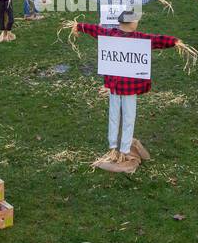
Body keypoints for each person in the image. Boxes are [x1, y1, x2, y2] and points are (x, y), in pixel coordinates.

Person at [72, 9, 181, 172]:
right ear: (131, 24)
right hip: (128, 89)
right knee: (128, 117)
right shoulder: (139, 39)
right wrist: (174, 41)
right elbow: (157, 40)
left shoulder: (110, 35)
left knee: (114, 115)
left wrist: (79, 26)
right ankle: (123, 150)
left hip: (115, 87)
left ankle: (114, 148)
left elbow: (95, 30)